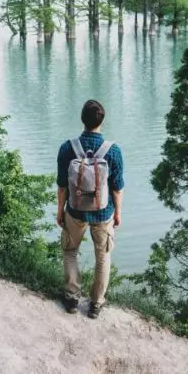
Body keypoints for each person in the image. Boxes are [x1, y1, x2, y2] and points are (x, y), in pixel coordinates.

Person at [56, 99, 124, 319]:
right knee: (102, 258)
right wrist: (118, 213)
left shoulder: (68, 148)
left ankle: (72, 297)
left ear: (82, 119)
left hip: (75, 211)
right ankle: (95, 304)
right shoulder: (113, 151)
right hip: (103, 213)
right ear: (101, 121)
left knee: (70, 252)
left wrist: (60, 211)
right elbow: (117, 189)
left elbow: (62, 186)